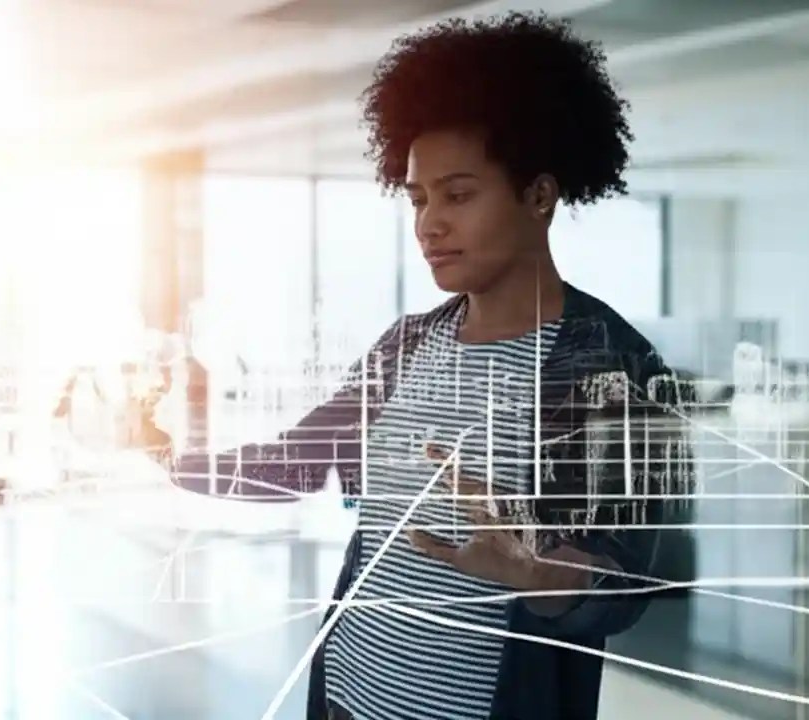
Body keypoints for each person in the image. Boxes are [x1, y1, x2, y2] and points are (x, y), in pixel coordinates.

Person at [127, 11, 693, 720]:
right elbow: (296, 461)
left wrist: (534, 570)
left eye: (459, 195)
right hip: (346, 697)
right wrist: (161, 456)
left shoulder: (617, 369)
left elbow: (627, 589)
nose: (429, 223)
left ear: (539, 196)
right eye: (419, 198)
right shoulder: (406, 345)